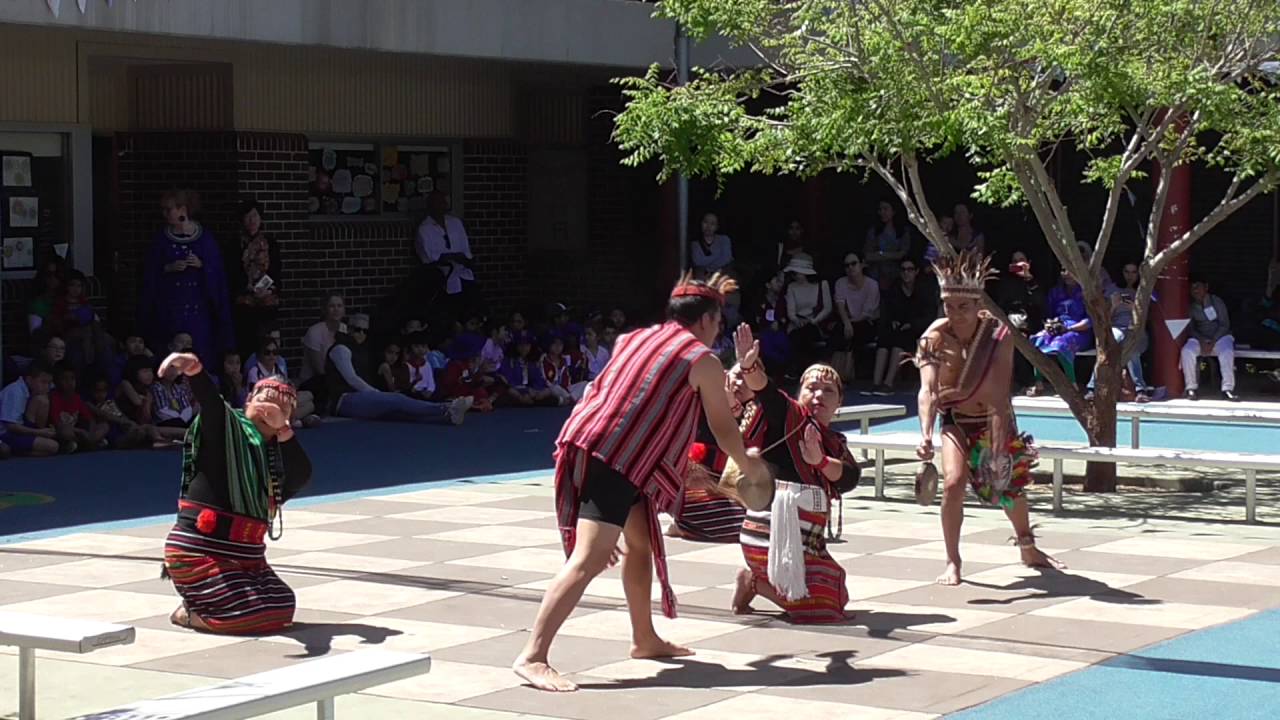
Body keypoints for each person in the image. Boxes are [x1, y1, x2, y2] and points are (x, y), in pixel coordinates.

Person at [512, 273, 771, 693]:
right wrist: (748, 468)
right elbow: (722, 426)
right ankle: (533, 655)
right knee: (589, 560)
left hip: (603, 449)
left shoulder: (634, 339)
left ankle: (644, 639)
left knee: (641, 545)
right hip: (616, 459)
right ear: (705, 320)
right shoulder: (699, 359)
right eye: (718, 323)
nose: (718, 331)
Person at [913, 250, 1063, 586]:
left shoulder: (997, 335)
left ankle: (1027, 546)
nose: (955, 314)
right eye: (948, 306)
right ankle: (953, 561)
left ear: (979, 303)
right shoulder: (932, 338)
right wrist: (924, 433)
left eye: (962, 307)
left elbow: (995, 394)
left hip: (994, 417)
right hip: (955, 421)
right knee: (952, 484)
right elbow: (927, 389)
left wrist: (997, 447)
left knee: (1008, 485)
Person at [159, 351, 312, 634]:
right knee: (249, 612)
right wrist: (194, 369)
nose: (271, 412)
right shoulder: (227, 429)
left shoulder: (274, 455)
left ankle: (209, 602)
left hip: (248, 559)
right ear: (248, 402)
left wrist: (284, 431)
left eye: (282, 409)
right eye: (266, 402)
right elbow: (212, 404)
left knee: (282, 606)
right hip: (200, 553)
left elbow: (301, 476)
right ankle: (190, 614)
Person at [732, 360, 861, 623]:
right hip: (769, 535)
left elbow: (849, 477)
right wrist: (748, 367)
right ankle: (754, 582)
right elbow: (765, 391)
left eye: (828, 391)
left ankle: (763, 583)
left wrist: (820, 461)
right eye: (812, 388)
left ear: (839, 404)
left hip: (807, 541)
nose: (819, 395)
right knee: (823, 608)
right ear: (799, 393)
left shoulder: (834, 442)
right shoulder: (786, 417)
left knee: (837, 595)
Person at [139, 189, 234, 368]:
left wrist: (202, 265)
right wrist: (168, 268)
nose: (165, 214)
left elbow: (218, 274)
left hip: (198, 310)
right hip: (171, 309)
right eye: (163, 210)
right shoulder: (161, 239)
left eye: (169, 209)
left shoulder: (205, 238)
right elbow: (149, 273)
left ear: (182, 209)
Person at [1086, 262, 1152, 402]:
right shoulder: (1112, 289)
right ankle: (1092, 388)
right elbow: (1104, 319)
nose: (1130, 275)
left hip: (1136, 330)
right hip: (1116, 327)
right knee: (1111, 342)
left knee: (1132, 347)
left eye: (1133, 272)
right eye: (1127, 272)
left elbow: (1148, 319)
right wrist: (1114, 306)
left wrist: (1135, 309)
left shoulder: (1143, 291)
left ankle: (1140, 390)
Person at [1180, 279, 1239, 401]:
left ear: (1206, 287)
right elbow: (1190, 327)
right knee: (1187, 351)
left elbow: (1224, 325)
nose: (1195, 290)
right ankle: (1191, 388)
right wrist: (1201, 340)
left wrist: (1213, 341)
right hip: (1200, 338)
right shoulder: (1190, 305)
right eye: (1192, 287)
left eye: (1198, 286)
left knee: (1227, 352)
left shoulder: (1216, 301)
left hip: (1220, 337)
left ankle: (1227, 389)